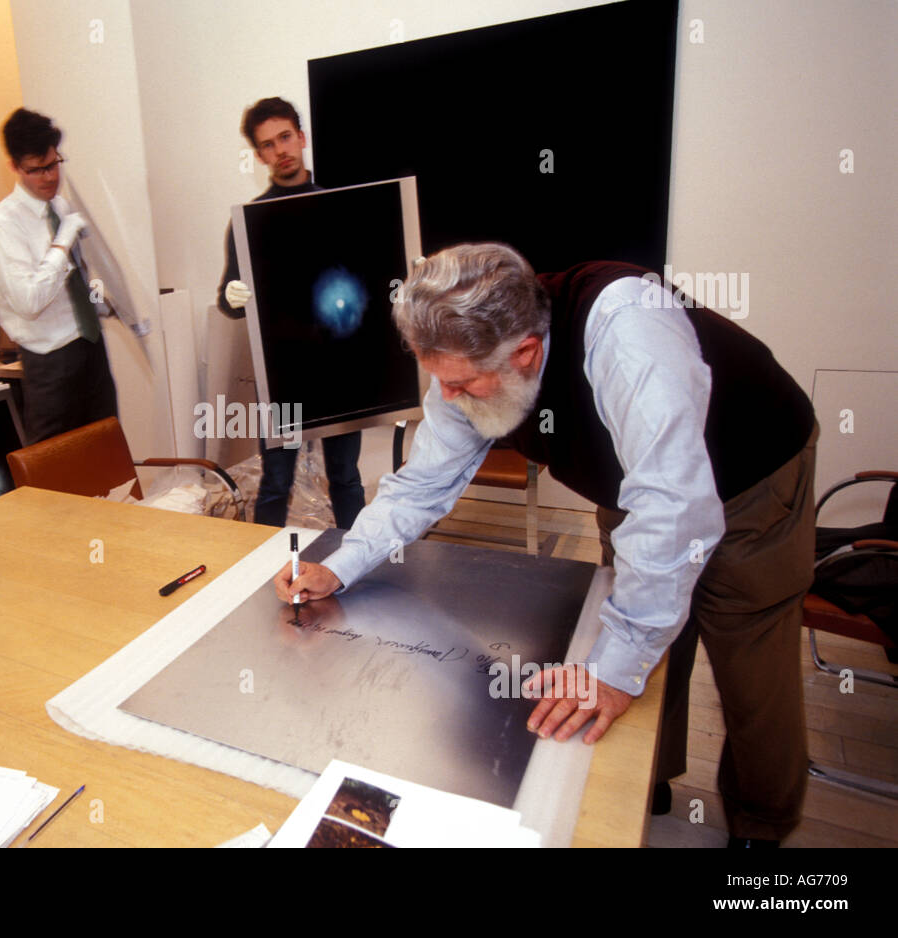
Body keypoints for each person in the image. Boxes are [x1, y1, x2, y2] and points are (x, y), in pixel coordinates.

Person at [276, 243, 818, 846]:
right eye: (440, 382)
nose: (447, 398)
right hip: (635, 487)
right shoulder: (472, 357)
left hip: (752, 475)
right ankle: (647, 779)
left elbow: (676, 510)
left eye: (460, 384)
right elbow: (422, 484)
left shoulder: (628, 332)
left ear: (526, 354)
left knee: (749, 661)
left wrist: (613, 668)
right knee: (649, 639)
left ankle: (761, 831)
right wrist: (341, 564)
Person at [217, 97, 364, 529]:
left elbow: (362, 288)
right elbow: (227, 301)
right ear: (259, 155)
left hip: (338, 370)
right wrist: (232, 295)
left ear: (301, 138)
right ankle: (260, 573)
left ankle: (354, 567)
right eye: (267, 144)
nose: (280, 150)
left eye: (285, 137)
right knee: (276, 481)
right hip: (284, 372)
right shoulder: (250, 220)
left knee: (345, 477)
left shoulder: (339, 207)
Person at [0, 108, 117, 444]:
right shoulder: (3, 226)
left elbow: (75, 282)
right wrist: (62, 242)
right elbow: (29, 302)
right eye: (36, 170)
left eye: (53, 165)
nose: (49, 177)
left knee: (106, 454)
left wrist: (103, 305)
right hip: (51, 363)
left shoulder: (61, 208)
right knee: (56, 471)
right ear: (14, 167)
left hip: (90, 347)